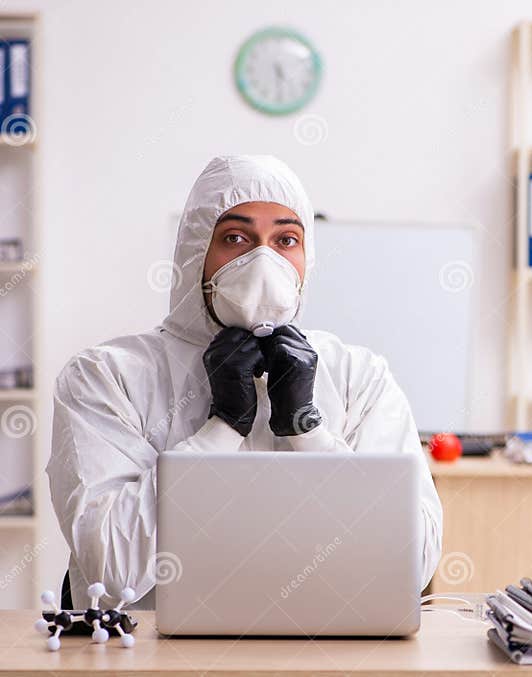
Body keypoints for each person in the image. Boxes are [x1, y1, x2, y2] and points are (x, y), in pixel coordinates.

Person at [46, 155, 443, 610]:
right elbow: (112, 570)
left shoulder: (358, 376)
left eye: (286, 239)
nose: (263, 261)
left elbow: (412, 564)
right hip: (149, 658)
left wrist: (309, 430)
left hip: (319, 651)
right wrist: (221, 430)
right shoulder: (106, 376)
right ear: (197, 252)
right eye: (236, 238)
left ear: (305, 259)